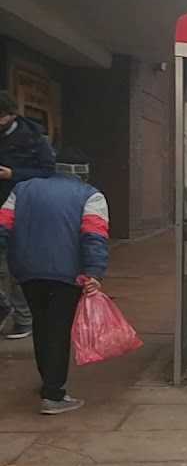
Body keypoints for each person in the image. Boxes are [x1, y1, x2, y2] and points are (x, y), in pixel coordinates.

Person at [0, 159, 108, 414]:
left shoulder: (22, 189)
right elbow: (94, 236)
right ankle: (53, 394)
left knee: (42, 324)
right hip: (67, 273)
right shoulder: (90, 195)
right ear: (84, 171)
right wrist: (94, 272)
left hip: (27, 271)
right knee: (58, 329)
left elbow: (2, 226)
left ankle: (47, 380)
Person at [0, 91, 57, 340]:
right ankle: (3, 308)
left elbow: (47, 172)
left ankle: (23, 318)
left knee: (17, 266)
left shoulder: (35, 139)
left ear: (12, 115)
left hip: (19, 208)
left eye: (1, 117)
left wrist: (13, 174)